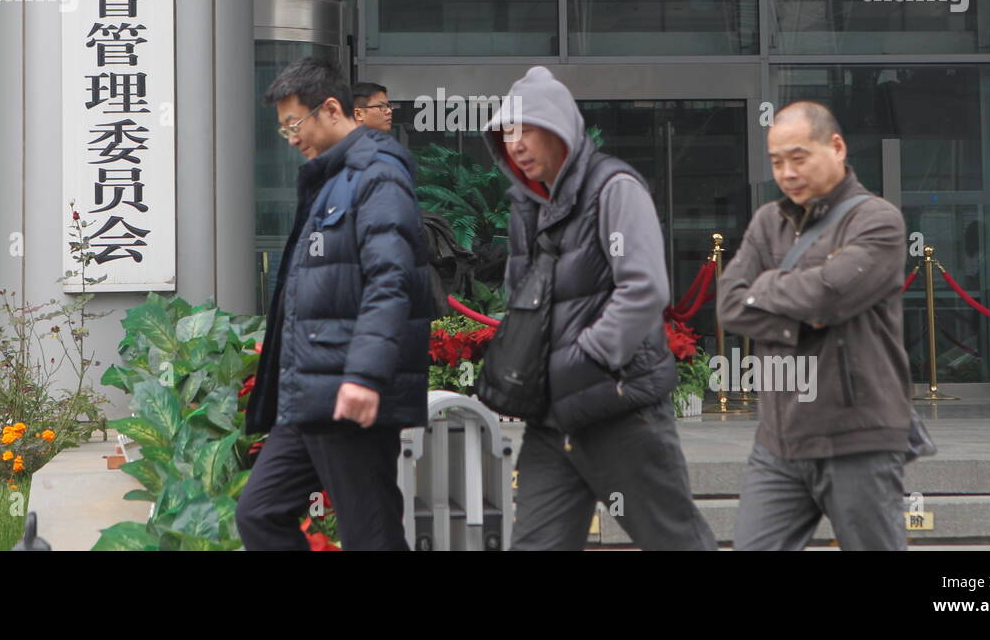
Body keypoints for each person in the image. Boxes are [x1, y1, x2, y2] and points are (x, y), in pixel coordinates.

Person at [481, 66, 717, 551]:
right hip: (552, 422)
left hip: (621, 411)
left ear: (560, 129)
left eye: (527, 128)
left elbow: (645, 289)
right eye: (508, 132)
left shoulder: (614, 188)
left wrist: (585, 359)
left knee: (677, 542)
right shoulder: (525, 208)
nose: (517, 144)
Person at [236, 56, 433, 550]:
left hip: (349, 394)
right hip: (312, 394)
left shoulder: (377, 176)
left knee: (371, 535)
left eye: (294, 124)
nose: (291, 138)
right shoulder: (330, 180)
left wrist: (364, 376)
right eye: (284, 129)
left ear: (330, 109)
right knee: (260, 512)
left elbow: (391, 280)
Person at [717, 100, 911, 551]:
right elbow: (729, 305)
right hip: (778, 441)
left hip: (857, 437)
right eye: (777, 161)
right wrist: (802, 316)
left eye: (798, 157)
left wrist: (767, 290)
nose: (787, 172)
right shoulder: (769, 221)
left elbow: (830, 294)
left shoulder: (878, 221)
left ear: (837, 147)